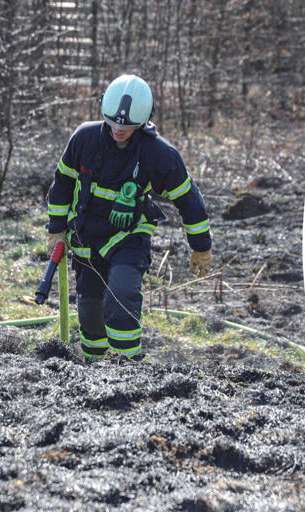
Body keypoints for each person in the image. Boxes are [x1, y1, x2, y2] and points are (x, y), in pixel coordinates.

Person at [46, 74, 212, 362]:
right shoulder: (84, 139)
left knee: (121, 296)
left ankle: (130, 370)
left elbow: (189, 200)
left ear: (144, 120)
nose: (118, 130)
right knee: (90, 313)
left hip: (129, 238)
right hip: (86, 238)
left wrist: (201, 246)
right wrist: (56, 230)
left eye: (127, 126)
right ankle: (92, 368)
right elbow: (62, 184)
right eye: (113, 123)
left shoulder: (159, 155)